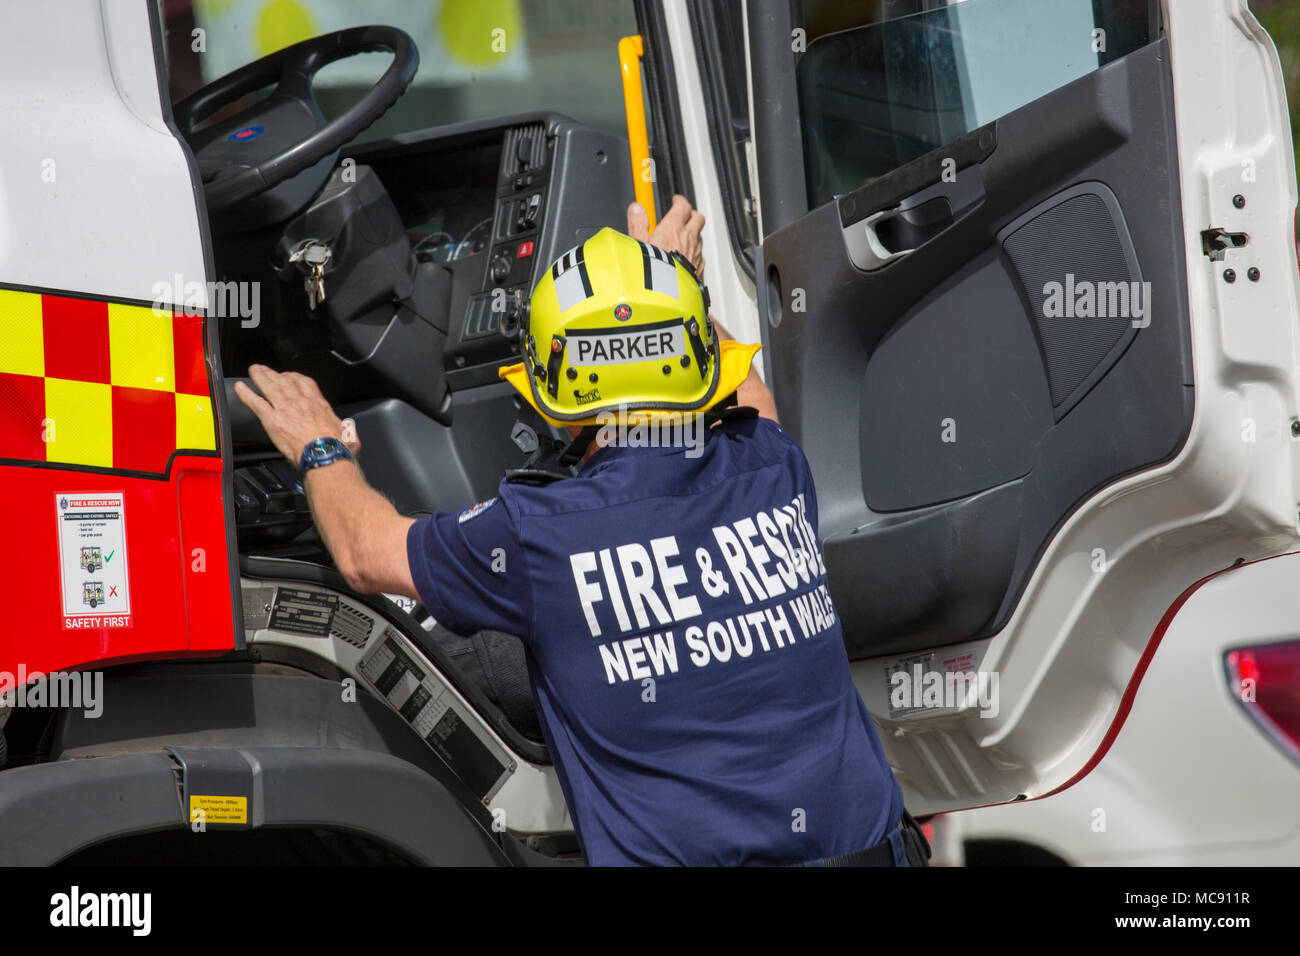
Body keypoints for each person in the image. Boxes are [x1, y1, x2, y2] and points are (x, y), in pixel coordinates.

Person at [235, 197, 925, 866]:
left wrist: (320, 446)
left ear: (555, 400)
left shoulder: (541, 536)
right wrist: (677, 289)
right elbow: (751, 396)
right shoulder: (772, 467)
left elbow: (362, 554)